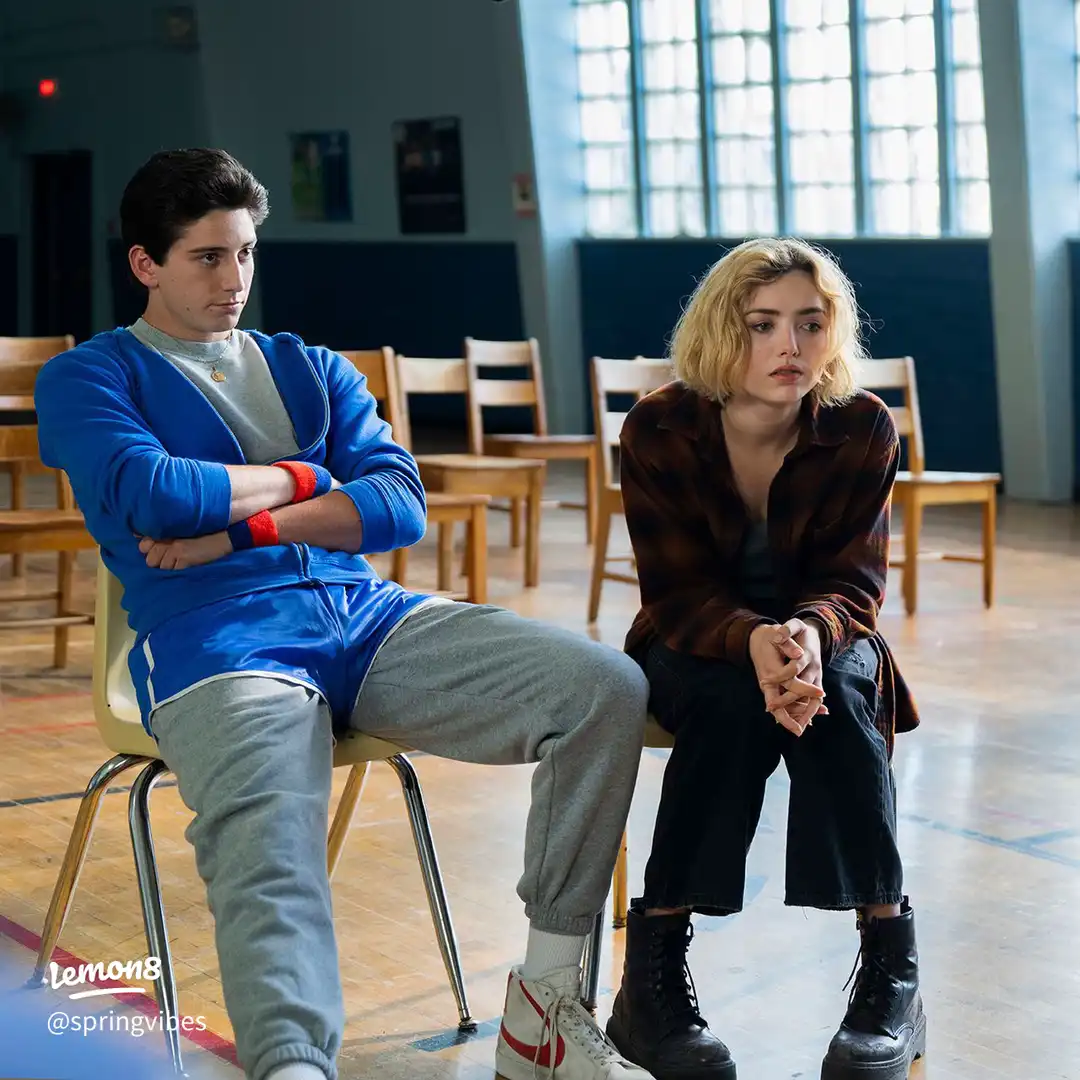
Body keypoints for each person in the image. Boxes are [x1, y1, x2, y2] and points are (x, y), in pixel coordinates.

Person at [34, 148, 655, 1080]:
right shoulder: (90, 377)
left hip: (366, 620)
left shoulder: (310, 368)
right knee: (272, 830)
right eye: (207, 256)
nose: (234, 278)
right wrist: (309, 479)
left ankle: (546, 1008)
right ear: (145, 264)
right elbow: (153, 494)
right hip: (217, 645)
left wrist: (238, 529)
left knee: (601, 687)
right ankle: (292, 1063)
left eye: (246, 252)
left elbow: (399, 504)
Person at [604, 238, 924, 1080]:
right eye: (762, 325)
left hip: (823, 634)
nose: (790, 347)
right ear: (721, 329)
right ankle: (651, 987)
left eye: (811, 324)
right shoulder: (660, 425)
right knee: (731, 702)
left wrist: (807, 639)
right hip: (694, 636)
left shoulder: (860, 426)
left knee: (847, 703)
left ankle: (892, 976)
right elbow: (674, 592)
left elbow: (852, 583)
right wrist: (754, 642)